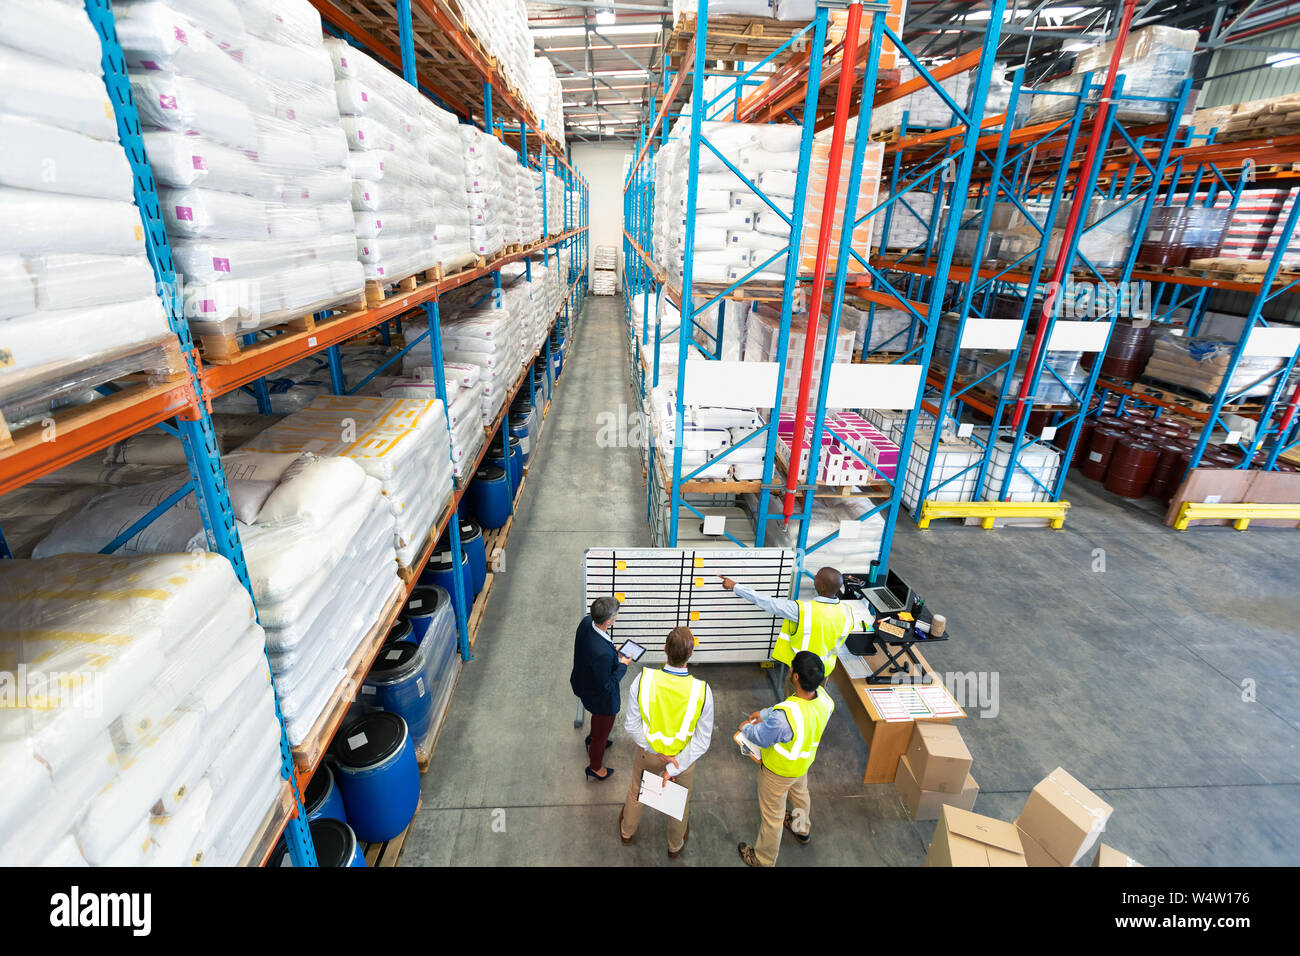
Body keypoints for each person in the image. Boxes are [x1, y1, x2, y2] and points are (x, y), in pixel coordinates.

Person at [619, 626, 713, 859]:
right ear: (691, 655)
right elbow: (702, 741)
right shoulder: (702, 691)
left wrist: (655, 750)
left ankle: (626, 832)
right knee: (680, 803)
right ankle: (674, 845)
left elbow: (631, 725)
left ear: (664, 649)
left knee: (636, 791)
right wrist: (672, 765)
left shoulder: (643, 679)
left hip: (648, 755)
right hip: (682, 760)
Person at [736, 650, 833, 867]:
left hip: (777, 772)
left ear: (795, 676)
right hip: (802, 765)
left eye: (792, 668)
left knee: (773, 816)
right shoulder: (825, 700)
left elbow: (761, 736)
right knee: (800, 797)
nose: (789, 670)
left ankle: (762, 859)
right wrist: (766, 712)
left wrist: (745, 730)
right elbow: (791, 707)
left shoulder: (784, 718)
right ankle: (801, 830)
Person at [719, 566, 866, 683]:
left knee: (794, 706)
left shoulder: (803, 610)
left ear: (821, 586)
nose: (814, 577)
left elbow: (768, 603)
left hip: (802, 673)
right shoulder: (846, 611)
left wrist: (735, 586)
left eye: (817, 577)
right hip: (824, 671)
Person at [570, 595, 630, 781]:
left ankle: (591, 737)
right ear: (610, 620)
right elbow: (607, 685)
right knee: (602, 735)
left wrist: (613, 649)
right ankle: (595, 767)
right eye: (616, 614)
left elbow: (594, 649)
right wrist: (623, 665)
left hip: (583, 684)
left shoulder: (587, 622)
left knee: (598, 723)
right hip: (601, 699)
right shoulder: (602, 654)